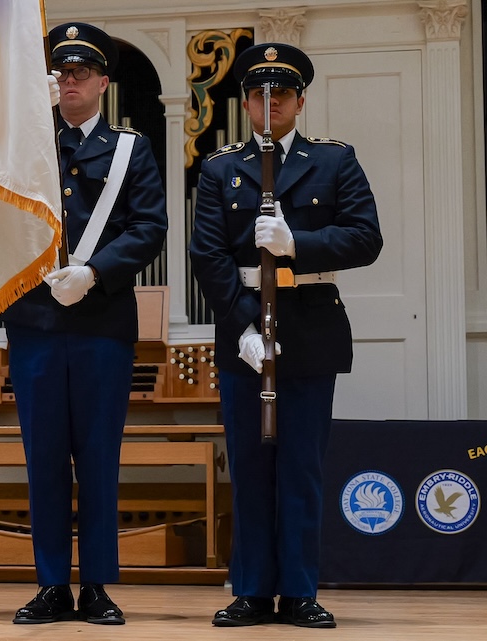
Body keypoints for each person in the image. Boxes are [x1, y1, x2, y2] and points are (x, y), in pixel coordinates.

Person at [189, 43, 382, 628]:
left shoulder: (334, 161)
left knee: (301, 467)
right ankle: (251, 590)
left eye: (281, 94)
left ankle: (299, 590)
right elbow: (207, 253)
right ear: (246, 102)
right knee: (248, 466)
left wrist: (298, 243)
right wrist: (244, 323)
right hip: (244, 330)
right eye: (257, 94)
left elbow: (365, 238)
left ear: (300, 100)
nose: (268, 103)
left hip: (310, 326)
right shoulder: (220, 167)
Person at [0, 23, 168, 626]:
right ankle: (50, 584)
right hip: (36, 320)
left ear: (102, 82)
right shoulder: (26, 144)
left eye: (80, 72)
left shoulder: (131, 148)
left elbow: (149, 226)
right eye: (60, 72)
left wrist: (94, 272)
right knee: (43, 457)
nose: (68, 80)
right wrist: (32, 127)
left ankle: (95, 584)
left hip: (100, 320)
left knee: (98, 456)